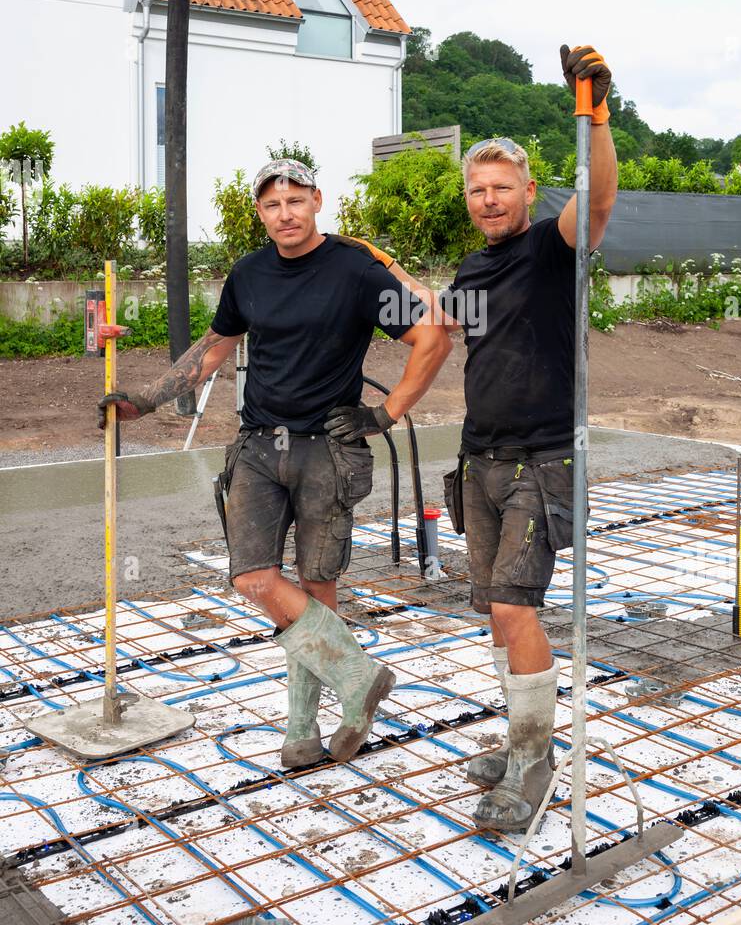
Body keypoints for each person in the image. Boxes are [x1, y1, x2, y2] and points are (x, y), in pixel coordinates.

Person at [98, 157, 452, 766]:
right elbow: (214, 349)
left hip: (327, 451)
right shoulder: (249, 273)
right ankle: (359, 677)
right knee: (254, 578)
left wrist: (386, 413)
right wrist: (146, 400)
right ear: (259, 213)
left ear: (317, 199)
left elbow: (433, 336)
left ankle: (303, 729)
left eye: (294, 201)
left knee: (317, 585)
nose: (284, 214)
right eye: (271, 205)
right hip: (259, 447)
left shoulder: (356, 271)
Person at [437, 45, 619, 831]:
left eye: (500, 187)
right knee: (496, 611)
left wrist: (597, 115)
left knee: (515, 608)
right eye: (476, 190)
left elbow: (601, 202)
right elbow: (431, 329)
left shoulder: (554, 246)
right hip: (480, 459)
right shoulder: (475, 267)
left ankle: (538, 762)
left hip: (541, 461)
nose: (487, 199)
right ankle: (521, 740)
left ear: (529, 190)